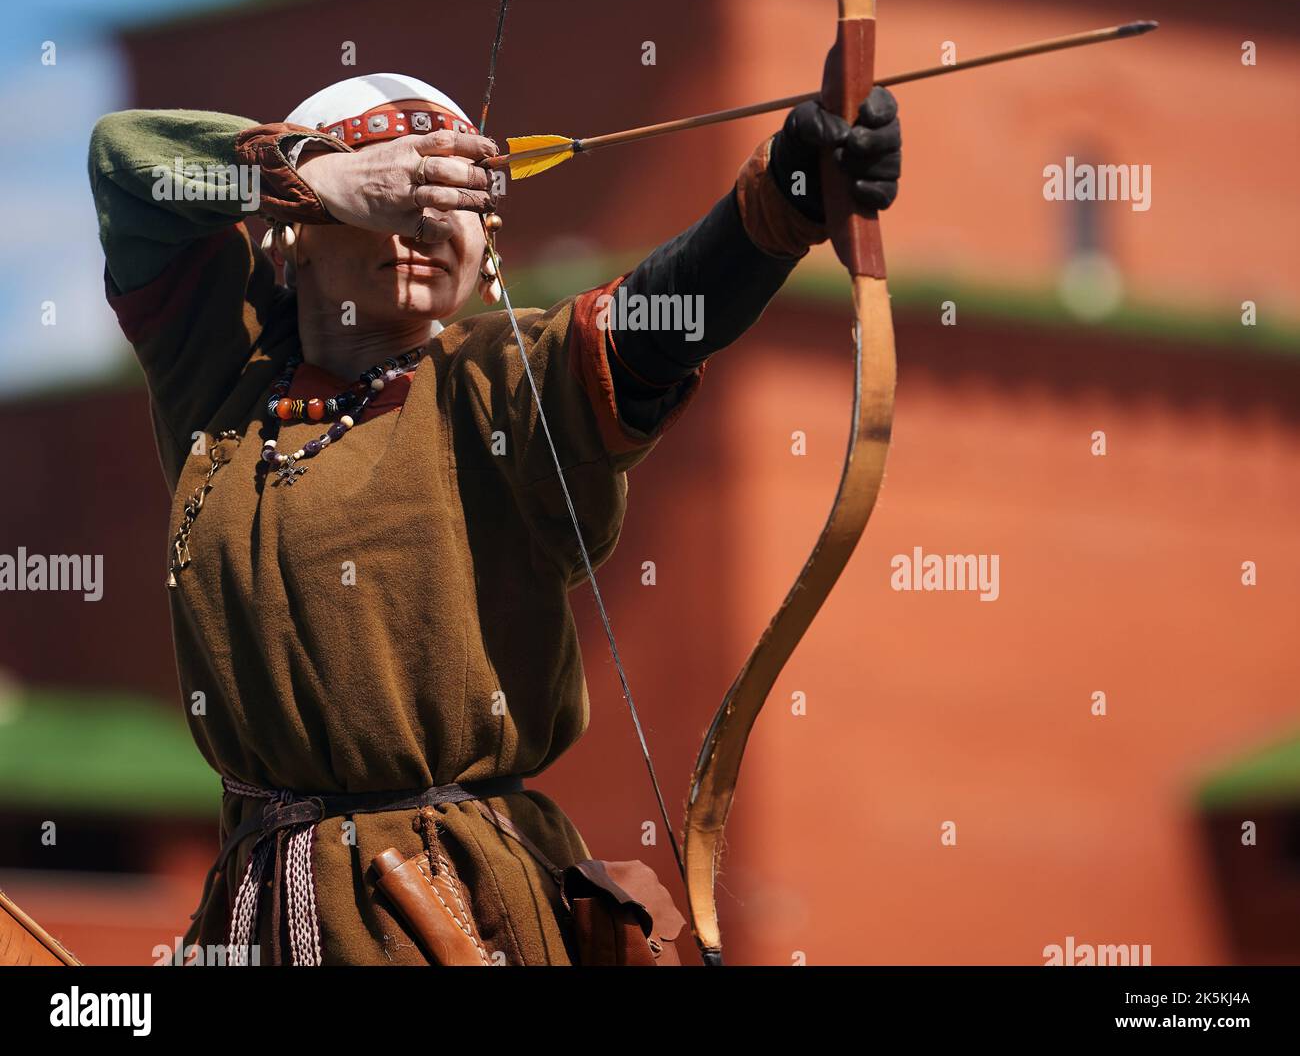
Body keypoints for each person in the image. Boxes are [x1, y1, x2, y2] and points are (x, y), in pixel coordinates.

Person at [88, 69, 901, 965]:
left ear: (487, 252)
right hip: (257, 915)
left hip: (452, 909)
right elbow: (125, 162)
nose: (423, 220)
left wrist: (788, 193)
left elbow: (652, 328)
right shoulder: (223, 368)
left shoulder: (496, 382)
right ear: (293, 236)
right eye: (396, 189)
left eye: (454, 199)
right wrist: (318, 172)